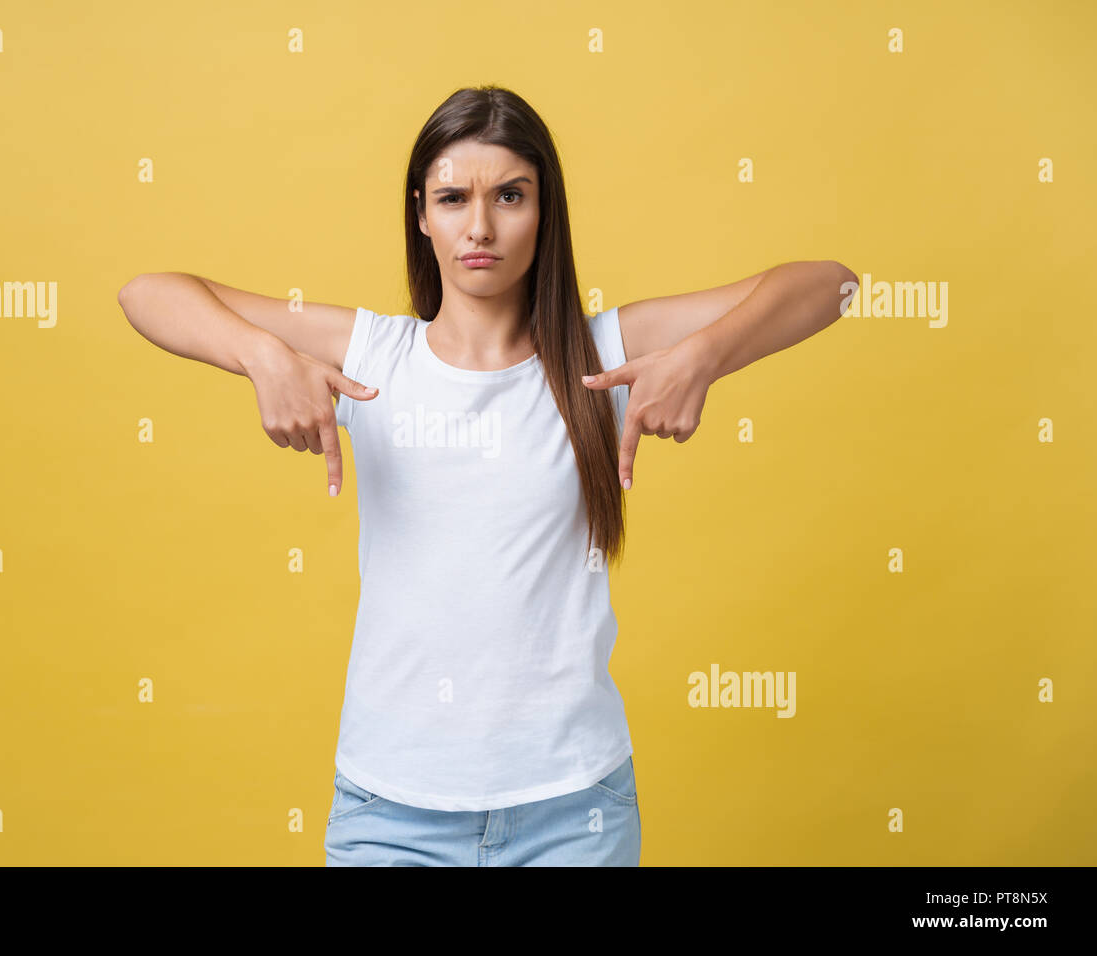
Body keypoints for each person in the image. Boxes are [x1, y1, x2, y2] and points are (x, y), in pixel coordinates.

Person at [117, 85, 856, 866]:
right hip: (390, 812)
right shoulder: (372, 358)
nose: (479, 227)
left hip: (575, 813)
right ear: (421, 213)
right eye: (452, 197)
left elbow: (832, 283)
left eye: (510, 195)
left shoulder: (601, 357)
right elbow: (147, 295)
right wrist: (263, 355)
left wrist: (705, 356)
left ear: (545, 211)